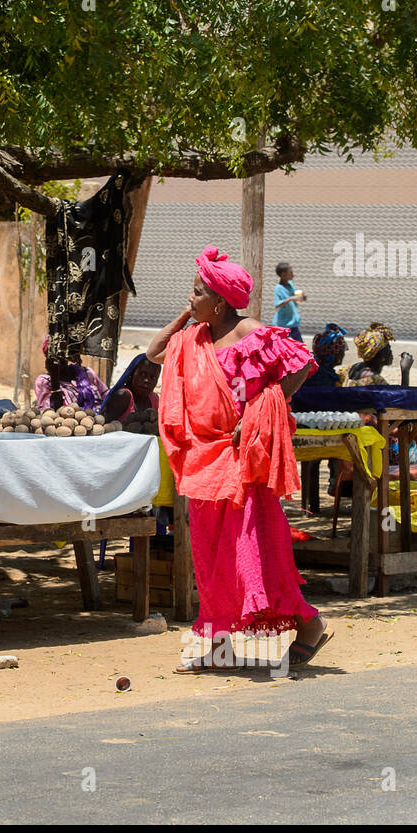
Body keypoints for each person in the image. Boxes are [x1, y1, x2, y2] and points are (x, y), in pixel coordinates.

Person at [148, 245, 329, 672]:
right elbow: (156, 352)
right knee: (210, 554)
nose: (190, 299)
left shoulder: (251, 332)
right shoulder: (192, 337)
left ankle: (308, 624)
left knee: (253, 551)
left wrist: (261, 408)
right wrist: (185, 318)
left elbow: (302, 364)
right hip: (204, 460)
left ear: (222, 301)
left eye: (197, 293)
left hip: (244, 461)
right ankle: (218, 640)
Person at [34, 336, 106, 413]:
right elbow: (50, 413)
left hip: (98, 419)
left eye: (62, 353)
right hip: (67, 423)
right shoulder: (44, 381)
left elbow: (107, 397)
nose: (57, 359)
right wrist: (54, 378)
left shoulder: (87, 373)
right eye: (53, 355)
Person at [101, 352, 160, 423]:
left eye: (153, 377)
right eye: (142, 374)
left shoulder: (154, 399)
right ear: (131, 374)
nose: (147, 380)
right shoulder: (122, 396)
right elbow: (104, 426)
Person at [343, 322, 396, 386]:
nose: (391, 353)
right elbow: (402, 395)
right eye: (388, 349)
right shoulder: (375, 381)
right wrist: (405, 372)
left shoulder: (350, 369)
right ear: (381, 355)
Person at [272, 262, 305, 341]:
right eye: (290, 272)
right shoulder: (278, 288)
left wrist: (301, 296)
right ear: (283, 275)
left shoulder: (290, 284)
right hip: (283, 324)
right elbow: (277, 304)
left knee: (300, 343)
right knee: (279, 345)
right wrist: (291, 299)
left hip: (292, 322)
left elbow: (295, 293)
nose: (293, 274)